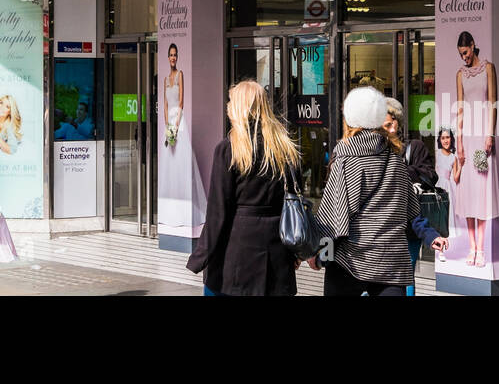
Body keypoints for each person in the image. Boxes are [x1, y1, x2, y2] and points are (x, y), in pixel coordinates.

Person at [311, 87, 447, 296]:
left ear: (349, 120)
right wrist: (429, 234)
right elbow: (411, 209)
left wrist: (318, 255)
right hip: (392, 264)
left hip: (350, 263)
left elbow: (333, 222)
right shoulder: (395, 160)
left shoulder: (346, 162)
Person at [186, 80, 300, 296]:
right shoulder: (284, 148)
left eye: (230, 101)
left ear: (239, 107)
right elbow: (294, 200)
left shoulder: (229, 148)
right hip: (277, 251)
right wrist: (296, 252)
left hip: (236, 252)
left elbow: (218, 211)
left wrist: (200, 256)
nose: (228, 106)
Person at [453, 30, 499, 267]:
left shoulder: (488, 68)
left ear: (473, 46)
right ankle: (471, 247)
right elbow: (460, 108)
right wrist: (459, 142)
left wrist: (490, 134)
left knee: (481, 192)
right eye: (461, 53)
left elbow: (493, 103)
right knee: (468, 192)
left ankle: (480, 249)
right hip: (467, 139)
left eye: (465, 52)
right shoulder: (460, 74)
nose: (463, 57)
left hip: (482, 140)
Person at [385, 97, 437, 276]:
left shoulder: (414, 147)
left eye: (386, 123)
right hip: (384, 229)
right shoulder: (375, 150)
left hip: (410, 225)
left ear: (395, 122)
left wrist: (404, 171)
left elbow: (431, 176)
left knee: (406, 274)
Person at [433, 126, 459, 257]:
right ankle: (438, 248)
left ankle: (443, 250)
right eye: (443, 138)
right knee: (436, 216)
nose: (445, 140)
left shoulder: (454, 157)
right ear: (439, 140)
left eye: (447, 137)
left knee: (445, 218)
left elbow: (455, 177)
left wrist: (461, 165)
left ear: (451, 139)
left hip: (447, 188)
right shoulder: (437, 153)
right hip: (437, 185)